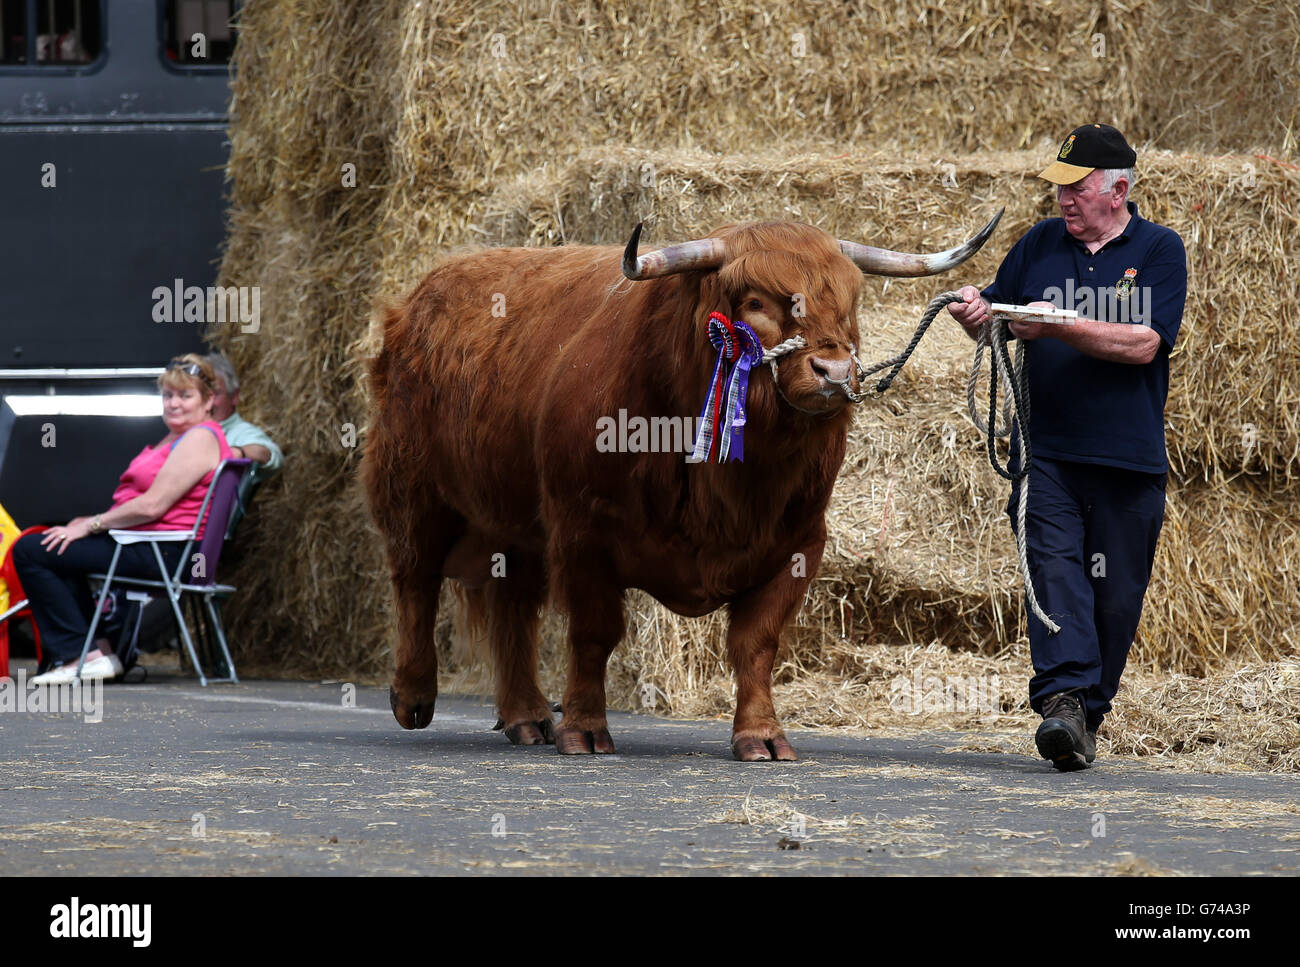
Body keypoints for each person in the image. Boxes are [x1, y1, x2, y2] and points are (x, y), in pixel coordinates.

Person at [946, 123, 1187, 770]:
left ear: (1118, 189)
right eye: (1059, 188)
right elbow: (997, 314)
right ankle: (1061, 702)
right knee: (1053, 571)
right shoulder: (1040, 244)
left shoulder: (1160, 250)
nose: (1064, 200)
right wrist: (975, 310)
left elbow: (1144, 343)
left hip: (1127, 459)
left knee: (1115, 595)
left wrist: (1062, 325)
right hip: (1046, 451)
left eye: (1076, 188)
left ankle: (1087, 715)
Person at [13, 355, 233, 683]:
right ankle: (97, 652)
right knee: (57, 542)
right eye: (168, 395)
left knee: (31, 549)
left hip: (165, 553)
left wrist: (93, 524)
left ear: (209, 400)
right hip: (153, 546)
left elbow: (153, 506)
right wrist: (86, 524)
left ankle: (79, 653)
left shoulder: (200, 437)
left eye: (185, 396)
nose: (174, 404)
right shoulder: (178, 436)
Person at [203, 353, 283, 488]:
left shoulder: (241, 432)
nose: (208, 402)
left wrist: (235, 453)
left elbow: (273, 456)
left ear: (234, 396)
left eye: (215, 394)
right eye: (202, 394)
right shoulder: (186, 431)